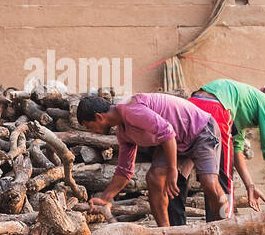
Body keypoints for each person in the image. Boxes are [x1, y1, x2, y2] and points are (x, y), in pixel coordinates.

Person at [77, 92, 227, 226]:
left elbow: (167, 132)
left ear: (99, 117)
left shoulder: (130, 110)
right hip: (175, 141)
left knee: (209, 182)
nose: (93, 131)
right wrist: (105, 198)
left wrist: (172, 170)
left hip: (200, 130)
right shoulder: (123, 132)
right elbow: (124, 171)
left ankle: (227, 227)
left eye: (90, 127)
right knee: (154, 178)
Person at [167, 80, 265, 224]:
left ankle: (176, 226)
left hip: (193, 104)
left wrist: (250, 186)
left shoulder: (242, 108)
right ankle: (223, 228)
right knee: (223, 177)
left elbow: (237, 150)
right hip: (215, 108)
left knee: (183, 169)